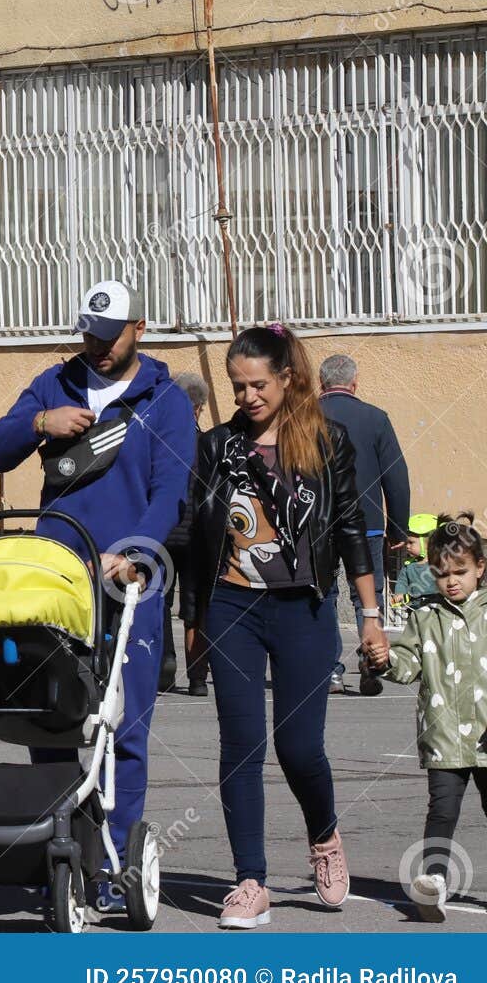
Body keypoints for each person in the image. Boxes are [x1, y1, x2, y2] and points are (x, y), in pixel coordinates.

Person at [0, 280, 194, 913]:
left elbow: (169, 493)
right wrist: (40, 423)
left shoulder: (167, 400)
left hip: (130, 584)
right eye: (88, 335)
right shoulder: (54, 382)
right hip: (58, 583)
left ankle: (113, 865)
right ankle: (61, 854)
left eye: (110, 336)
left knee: (124, 729)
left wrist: (133, 554)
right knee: (51, 719)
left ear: (140, 329)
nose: (96, 347)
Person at [184, 323, 385, 929]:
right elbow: (197, 531)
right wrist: (192, 620)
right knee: (240, 746)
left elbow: (351, 528)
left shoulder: (329, 441)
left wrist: (370, 618)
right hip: (232, 606)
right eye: (237, 386)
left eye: (258, 384)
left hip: (306, 608)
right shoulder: (218, 446)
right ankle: (250, 881)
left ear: (288, 379)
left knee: (299, 748)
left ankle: (324, 838)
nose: (247, 396)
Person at [369, 512, 487, 922]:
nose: (451, 580)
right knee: (442, 809)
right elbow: (407, 666)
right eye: (441, 574)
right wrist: (383, 660)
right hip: (443, 735)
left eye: (460, 571)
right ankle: (433, 882)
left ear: (480, 569)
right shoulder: (425, 617)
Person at [319, 352, 411, 695]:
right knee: (368, 597)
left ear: (321, 383)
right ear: (354, 384)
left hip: (319, 524)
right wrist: (398, 529)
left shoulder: (303, 416)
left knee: (325, 595)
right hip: (369, 523)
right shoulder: (375, 418)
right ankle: (371, 662)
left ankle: (330, 670)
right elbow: (396, 476)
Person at [167, 370, 210, 696]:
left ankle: (162, 669)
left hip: (162, 534)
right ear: (198, 408)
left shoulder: (158, 441)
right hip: (197, 536)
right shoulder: (207, 444)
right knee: (195, 608)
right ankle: (197, 678)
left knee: (156, 604)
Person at [395, 512, 441, 602]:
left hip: (437, 605)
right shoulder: (409, 565)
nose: (407, 546)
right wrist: (400, 593)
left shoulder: (439, 563)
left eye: (411, 542)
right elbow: (402, 582)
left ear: (428, 544)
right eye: (406, 542)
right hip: (415, 607)